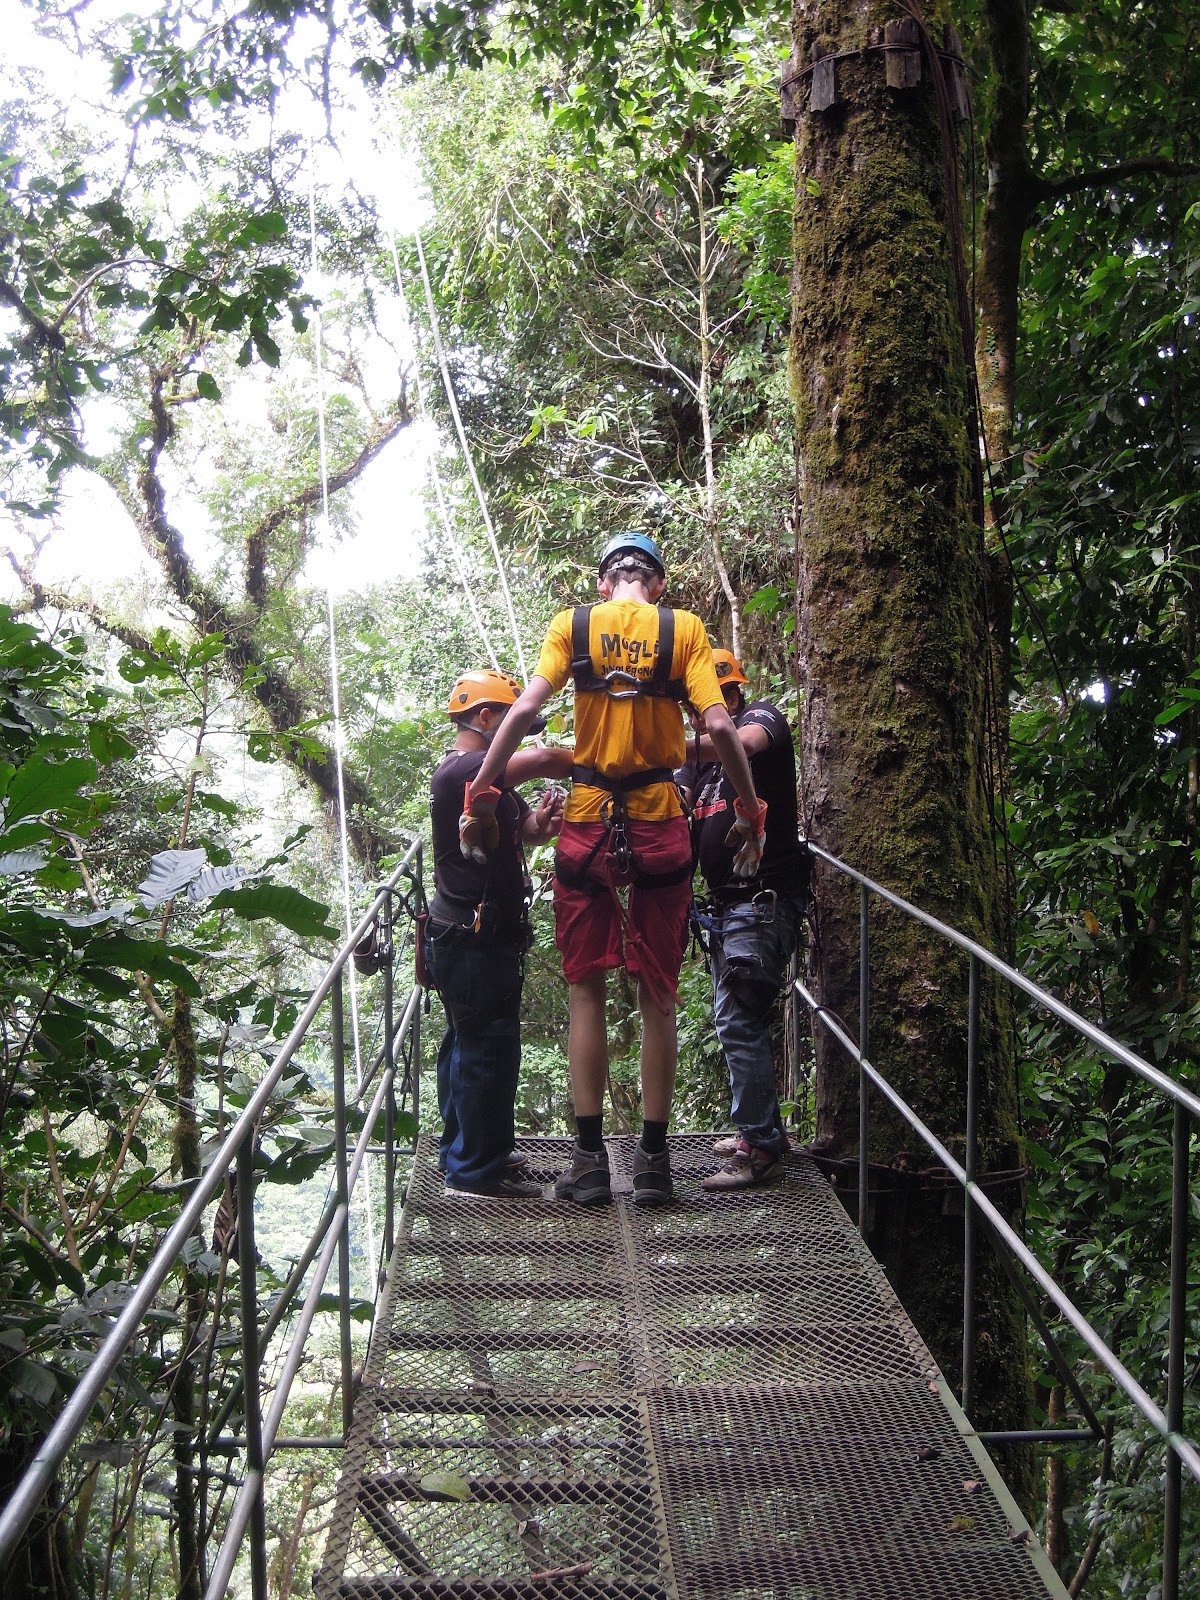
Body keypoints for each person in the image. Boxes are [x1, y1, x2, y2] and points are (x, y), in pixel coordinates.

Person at [461, 533, 767, 1207]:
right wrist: (748, 806)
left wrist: (481, 790)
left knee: (585, 993)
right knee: (657, 995)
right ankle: (654, 1166)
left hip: (590, 821)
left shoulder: (573, 626)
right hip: (660, 822)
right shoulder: (683, 630)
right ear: (656, 584)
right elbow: (718, 725)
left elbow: (526, 710)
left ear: (606, 583)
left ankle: (591, 1163)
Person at [426, 668, 571, 1198]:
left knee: (470, 1044)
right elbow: (546, 759)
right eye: (511, 721)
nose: (518, 735)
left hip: (482, 934)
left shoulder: (489, 783)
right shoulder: (461, 770)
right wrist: (625, 756)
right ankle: (474, 1172)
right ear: (485, 717)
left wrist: (538, 829)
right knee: (487, 1047)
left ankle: (471, 1148)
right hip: (472, 936)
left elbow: (516, 833)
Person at [676, 648, 810, 1190]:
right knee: (735, 1017)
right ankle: (757, 1129)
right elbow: (677, 793)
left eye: (707, 699)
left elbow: (745, 743)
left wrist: (671, 743)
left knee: (739, 1018)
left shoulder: (762, 718)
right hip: (727, 906)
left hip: (762, 898)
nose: (700, 712)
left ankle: (760, 1148)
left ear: (729, 691)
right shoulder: (698, 763)